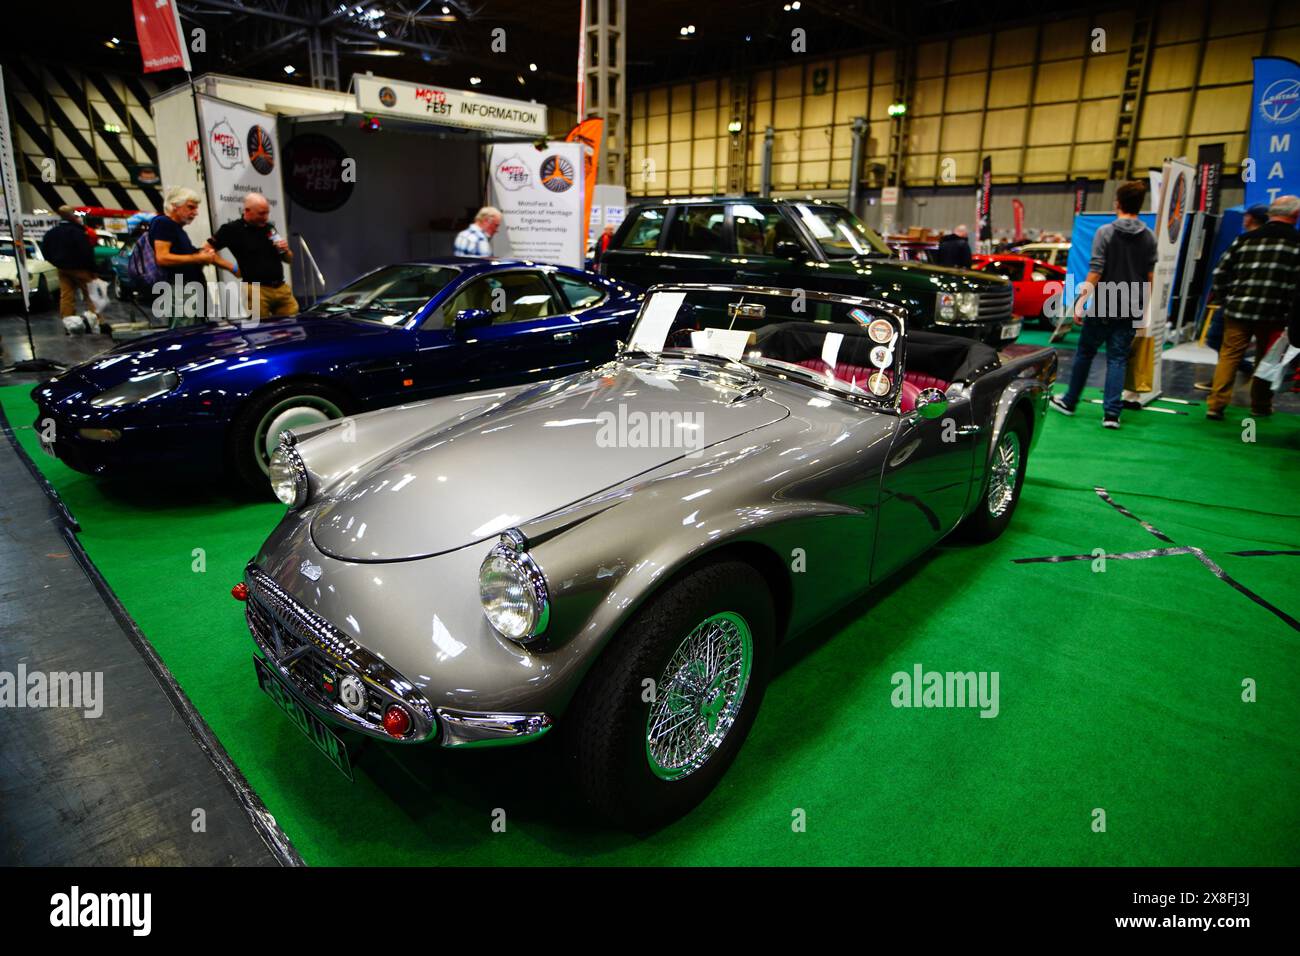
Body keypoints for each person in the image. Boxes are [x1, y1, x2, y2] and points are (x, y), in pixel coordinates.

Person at [1049, 180, 1156, 429]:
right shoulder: (1149, 237)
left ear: (1117, 203)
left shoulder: (1105, 232)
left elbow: (1095, 272)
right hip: (1131, 307)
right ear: (1140, 205)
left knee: (1085, 353)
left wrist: (1080, 302)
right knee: (1117, 359)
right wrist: (1144, 310)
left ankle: (1069, 401)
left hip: (1104, 305)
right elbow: (1149, 278)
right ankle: (1111, 415)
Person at [1204, 194, 1300, 421]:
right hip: (1276, 314)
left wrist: (1227, 297)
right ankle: (1260, 405)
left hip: (1238, 309)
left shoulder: (1245, 239)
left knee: (1229, 355)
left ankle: (1216, 405)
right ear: (1295, 216)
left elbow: (1220, 272)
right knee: (1266, 359)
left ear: (1271, 214)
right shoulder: (1297, 243)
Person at [1194, 204, 1271, 390]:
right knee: (1234, 345)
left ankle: (1223, 387)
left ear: (1250, 218)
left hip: (1235, 304)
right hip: (1265, 306)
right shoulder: (1273, 243)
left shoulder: (1244, 241)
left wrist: (1221, 296)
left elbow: (1221, 270)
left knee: (1221, 342)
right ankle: (1251, 391)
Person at [149, 186, 231, 325]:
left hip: (188, 289)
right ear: (175, 206)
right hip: (181, 290)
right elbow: (162, 258)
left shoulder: (176, 229)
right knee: (184, 335)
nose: (195, 213)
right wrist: (198, 258)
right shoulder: (163, 223)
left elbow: (191, 254)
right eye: (191, 207)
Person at [207, 192, 297, 319]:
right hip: (255, 290)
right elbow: (206, 250)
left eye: (267, 213)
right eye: (261, 213)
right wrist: (231, 268)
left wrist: (286, 250)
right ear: (247, 211)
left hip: (282, 289)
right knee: (261, 333)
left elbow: (288, 259)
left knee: (292, 328)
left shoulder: (269, 228)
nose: (266, 217)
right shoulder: (231, 229)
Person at [40, 205, 104, 333]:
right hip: (81, 269)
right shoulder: (78, 232)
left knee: (66, 296)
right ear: (73, 217)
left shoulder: (52, 233)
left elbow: (45, 250)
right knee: (90, 294)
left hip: (62, 269)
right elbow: (87, 252)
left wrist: (56, 262)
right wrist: (93, 269)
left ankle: (69, 324)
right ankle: (97, 322)